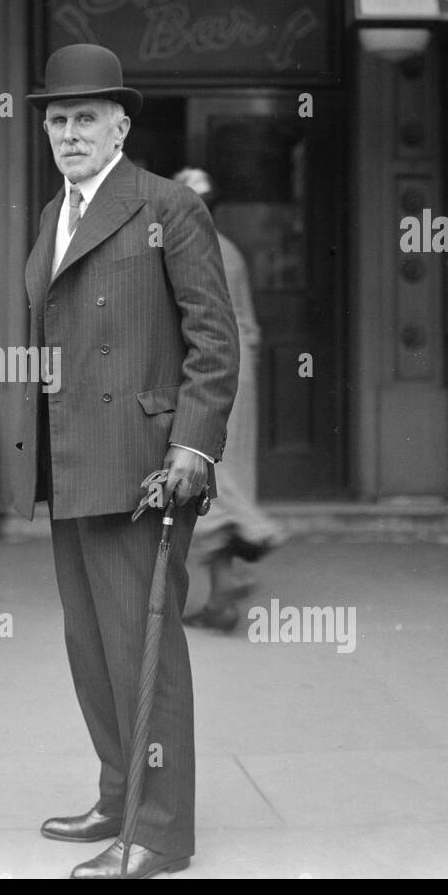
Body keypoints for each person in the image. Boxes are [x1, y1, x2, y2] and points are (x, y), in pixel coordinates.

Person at [11, 44, 239, 878]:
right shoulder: (55, 213)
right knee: (93, 647)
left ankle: (161, 832)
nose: (69, 134)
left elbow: (214, 339)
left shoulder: (168, 206)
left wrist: (192, 447)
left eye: (86, 119)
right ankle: (120, 797)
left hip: (143, 470)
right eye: (57, 120)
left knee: (145, 653)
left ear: (121, 128)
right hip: (70, 460)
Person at [174, 168, 287, 632]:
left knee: (205, 475)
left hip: (207, 372)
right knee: (222, 474)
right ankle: (223, 595)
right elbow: (247, 327)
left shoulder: (184, 249)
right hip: (239, 372)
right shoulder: (230, 250)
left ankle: (253, 531)